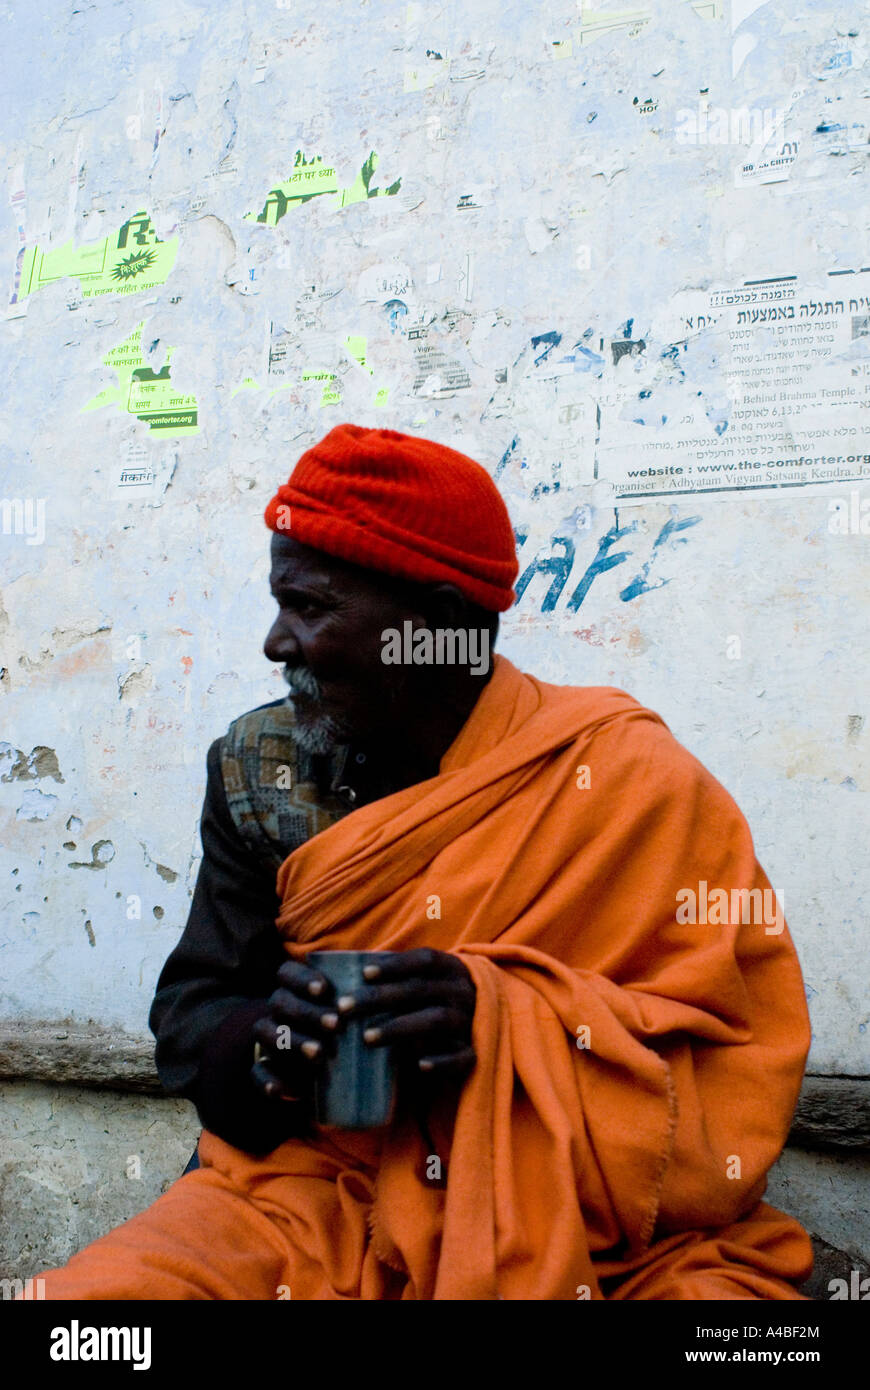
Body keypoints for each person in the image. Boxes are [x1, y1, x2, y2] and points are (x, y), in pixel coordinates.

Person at [34, 423, 813, 1300]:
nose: (275, 642)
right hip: (310, 1194)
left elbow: (730, 1069)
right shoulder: (259, 768)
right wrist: (271, 1043)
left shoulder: (631, 781)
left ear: (438, 626)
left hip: (595, 1231)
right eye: (279, 603)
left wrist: (498, 1023)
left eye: (311, 608)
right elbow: (192, 1013)